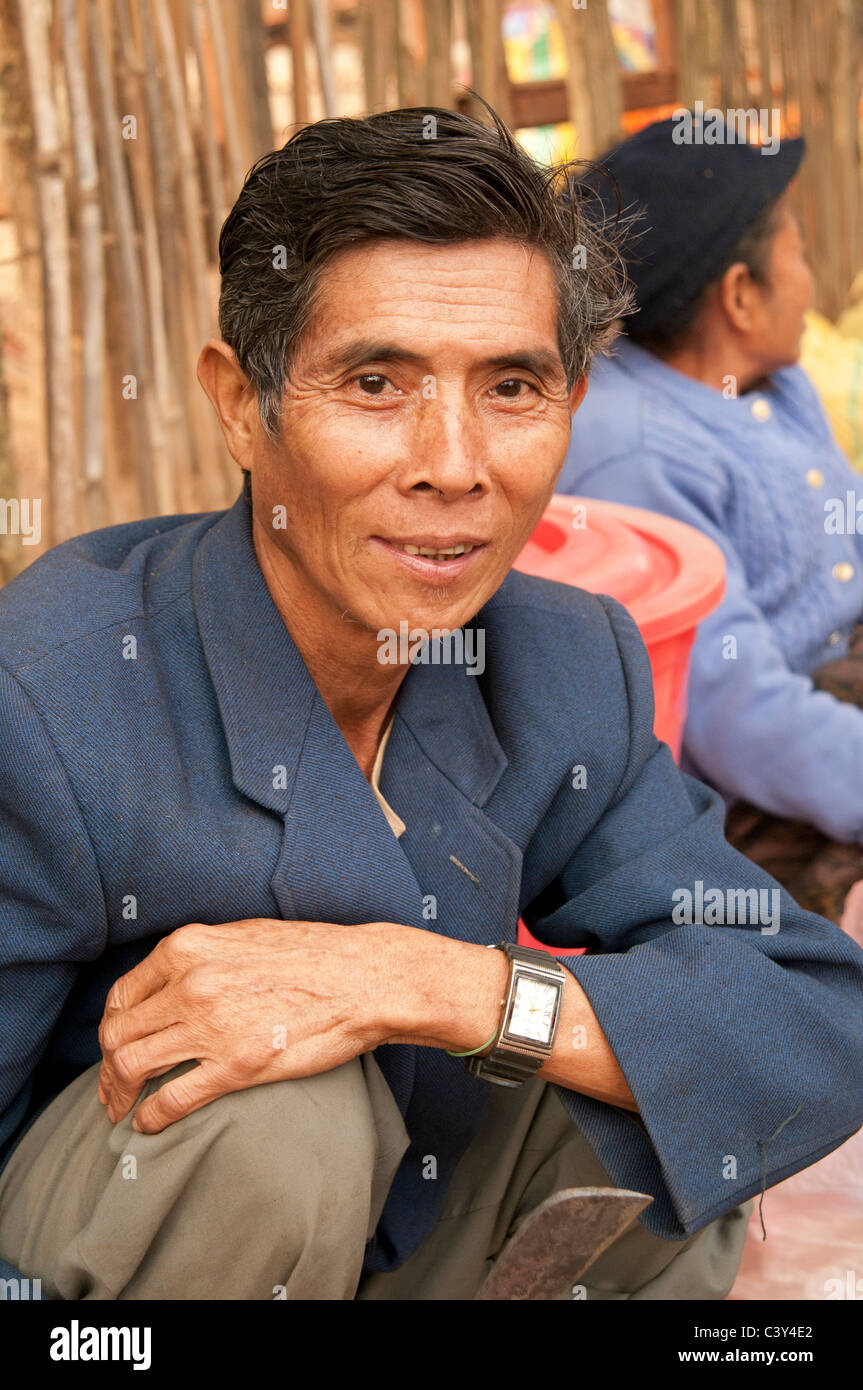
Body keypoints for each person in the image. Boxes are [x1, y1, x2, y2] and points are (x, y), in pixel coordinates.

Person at [0, 107, 861, 1302]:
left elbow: (811, 1020)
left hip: (398, 1240)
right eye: (373, 381)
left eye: (511, 385)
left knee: (667, 1102)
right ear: (242, 405)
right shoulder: (52, 693)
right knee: (275, 1125)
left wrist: (421, 982)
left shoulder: (561, 663)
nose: (452, 464)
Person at [560, 115, 863, 925]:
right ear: (738, 294)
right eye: (797, 252)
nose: (810, 275)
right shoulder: (635, 454)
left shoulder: (772, 382)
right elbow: (736, 724)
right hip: (750, 789)